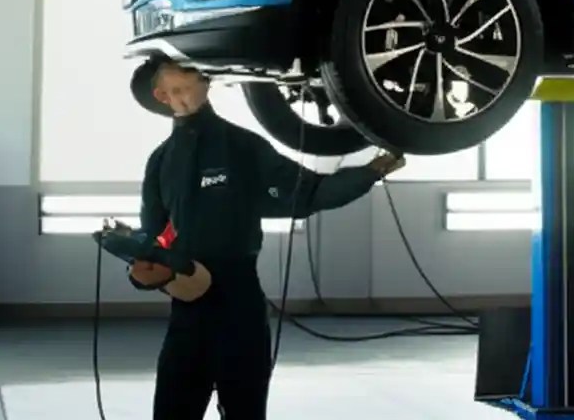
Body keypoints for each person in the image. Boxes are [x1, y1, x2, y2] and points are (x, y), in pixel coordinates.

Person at [132, 60, 404, 420]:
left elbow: (307, 193)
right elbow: (151, 240)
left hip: (240, 308)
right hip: (187, 312)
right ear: (162, 94)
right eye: (174, 67)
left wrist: (371, 171)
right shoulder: (160, 161)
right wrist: (142, 272)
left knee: (245, 413)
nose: (187, 66)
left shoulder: (243, 146)